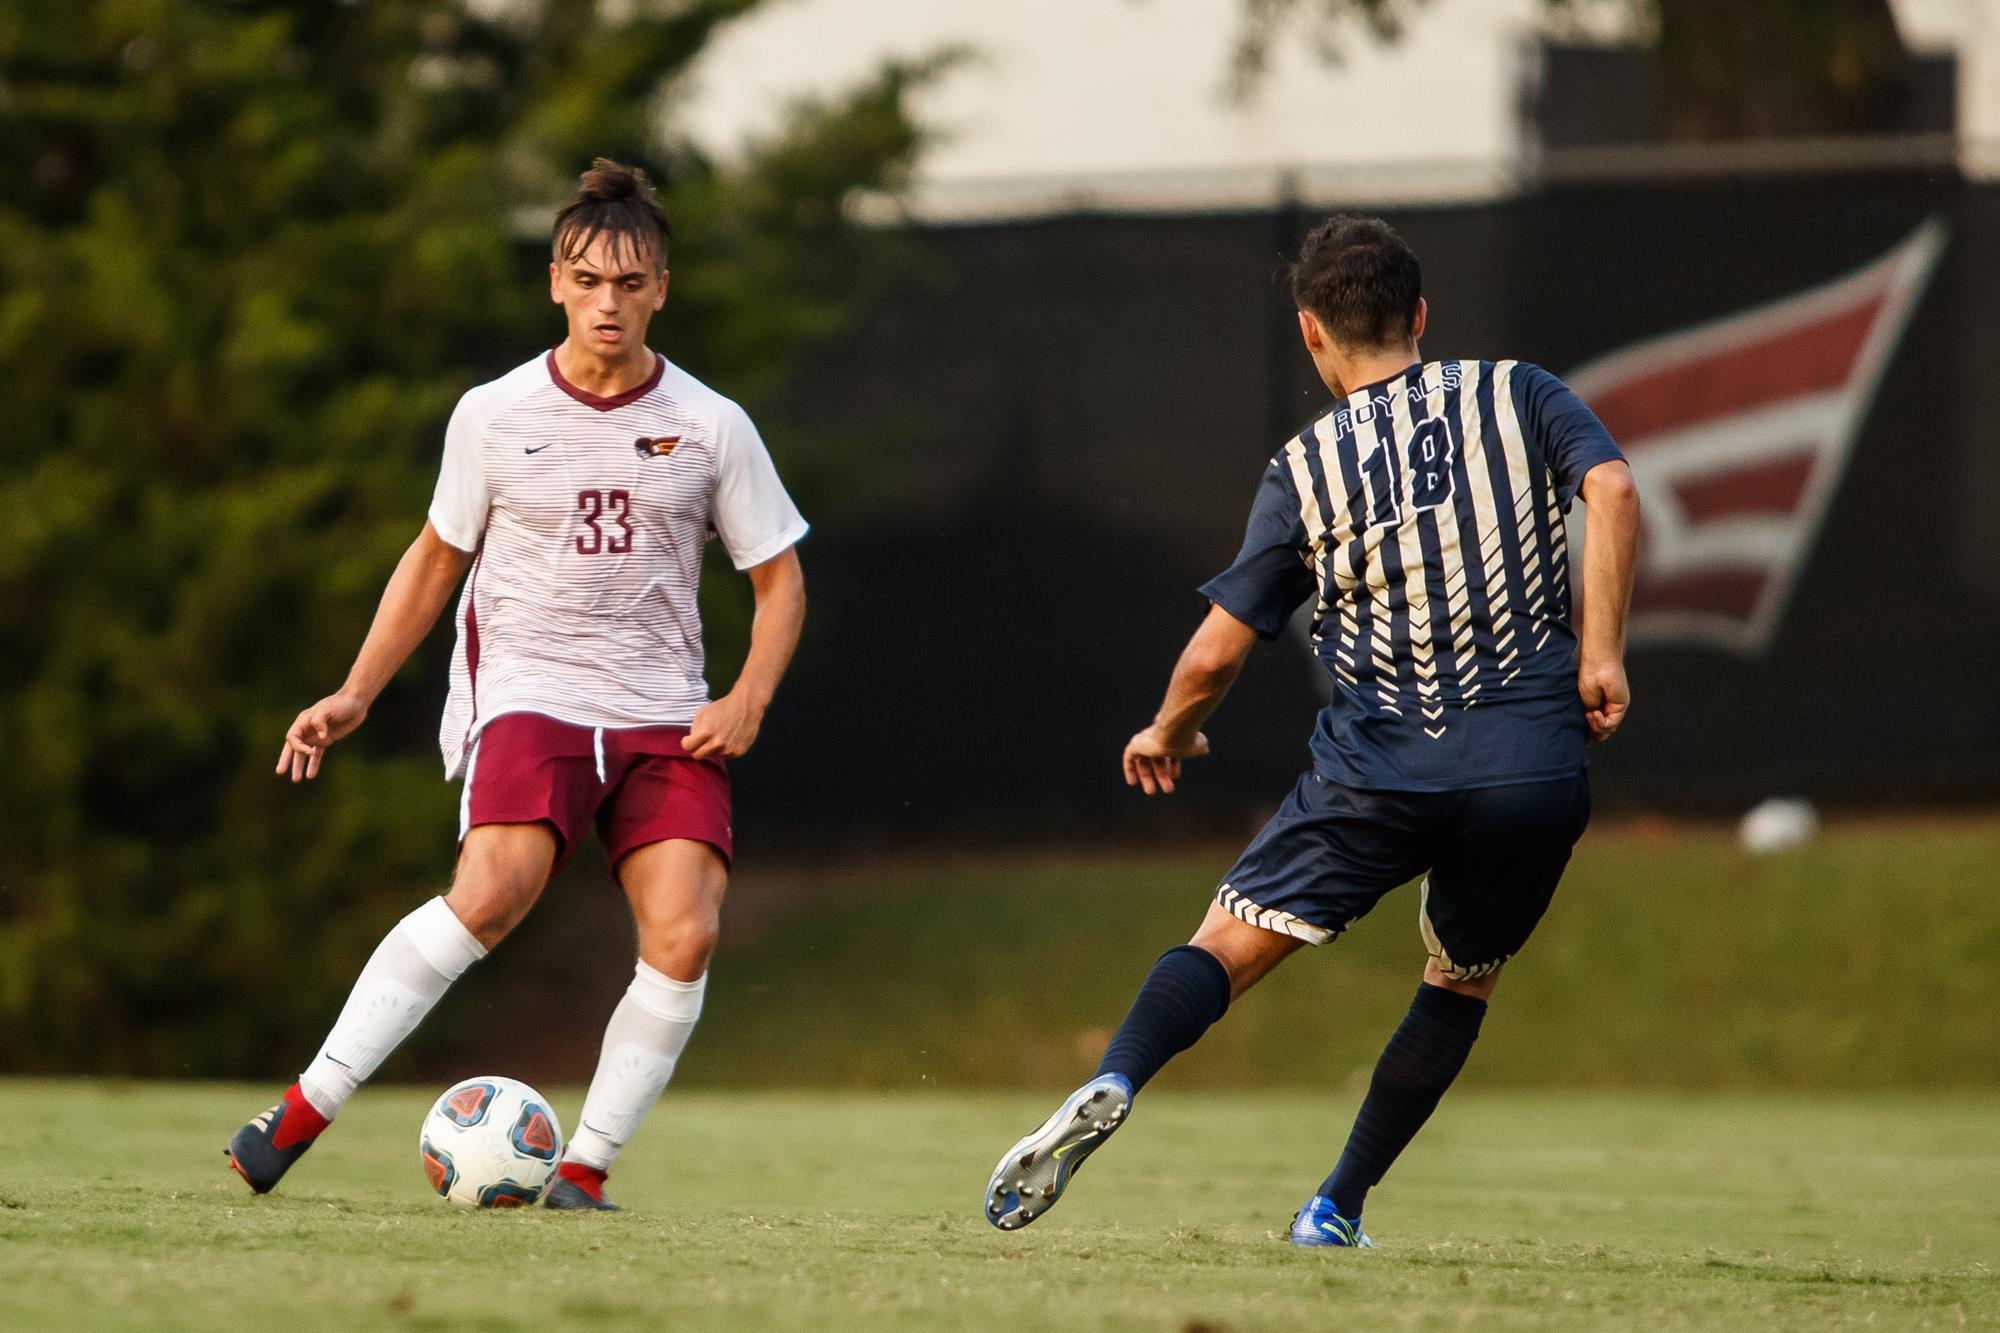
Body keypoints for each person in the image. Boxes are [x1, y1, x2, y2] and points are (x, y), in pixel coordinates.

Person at [982, 214, 1640, 1246]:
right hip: (1529, 765)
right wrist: (1599, 654)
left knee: (1224, 946)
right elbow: (1608, 486)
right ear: (1419, 315)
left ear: (1309, 336)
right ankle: (1334, 1205)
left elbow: (1211, 653)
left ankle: (1116, 1073)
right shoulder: (1516, 392)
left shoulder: (1305, 469)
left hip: (1374, 773)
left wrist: (1167, 731)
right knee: (1459, 978)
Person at [226, 159, 809, 1211]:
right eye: (587, 280)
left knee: (685, 930)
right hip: (529, 697)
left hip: (662, 710)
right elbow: (436, 557)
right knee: (490, 895)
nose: (607, 302)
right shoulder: (490, 415)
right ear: (554, 282)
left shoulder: (711, 422)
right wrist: (356, 691)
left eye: (630, 283)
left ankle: (582, 1169)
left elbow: (779, 579)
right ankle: (303, 1106)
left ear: (661, 289)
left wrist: (748, 696)